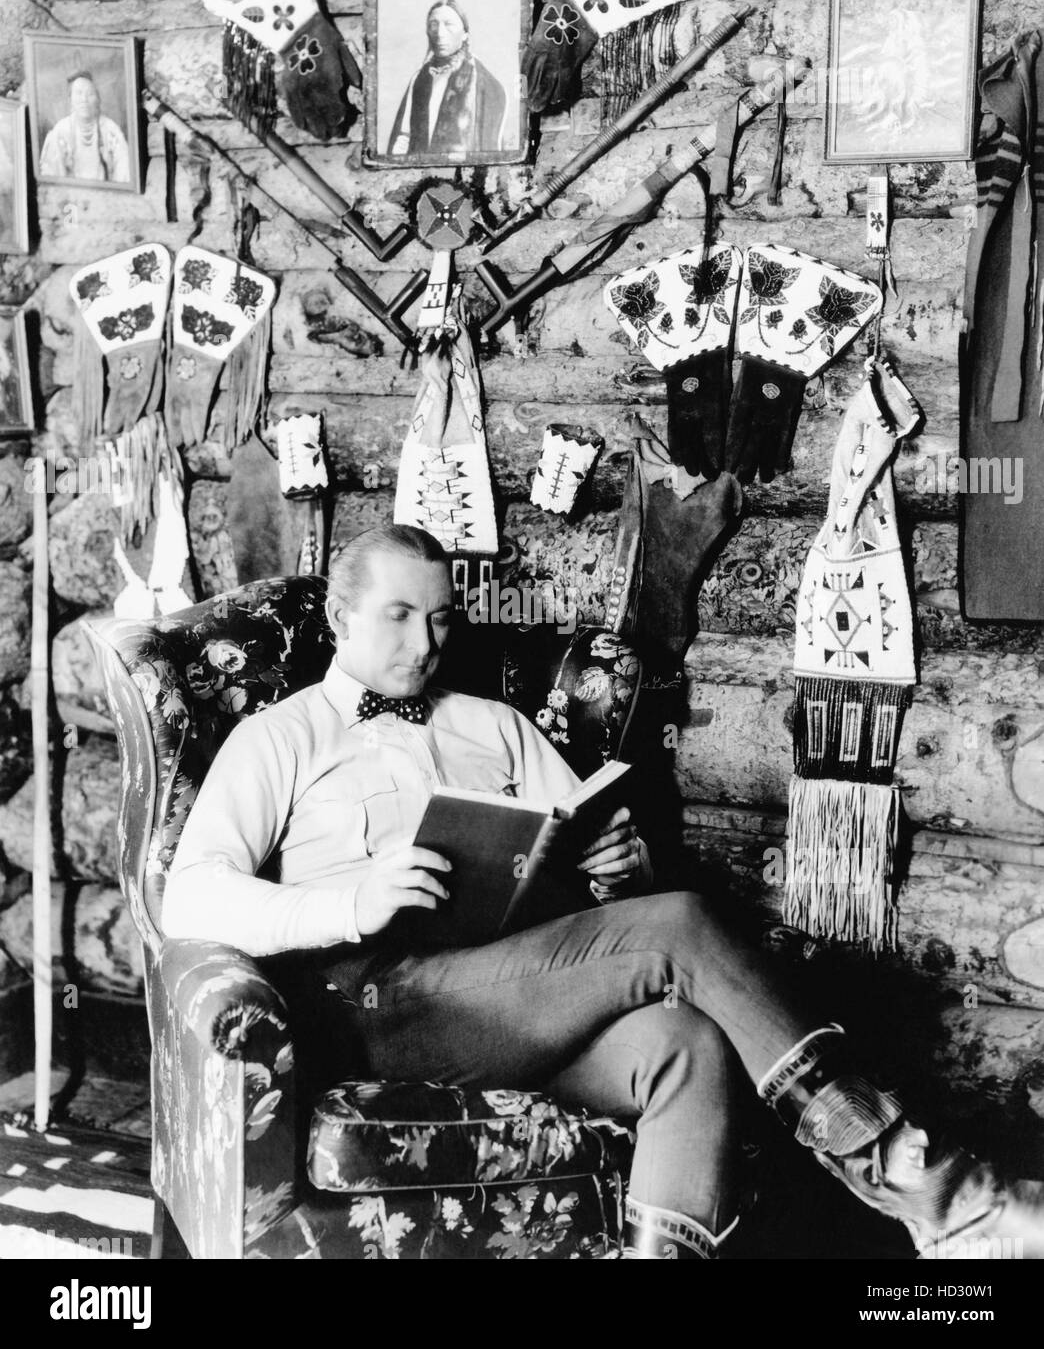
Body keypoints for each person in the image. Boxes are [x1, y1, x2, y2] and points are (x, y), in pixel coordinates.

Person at [164, 524, 1044, 1260]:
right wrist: (352, 899)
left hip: (521, 993)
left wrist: (614, 872)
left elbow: (580, 857)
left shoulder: (495, 724)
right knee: (683, 925)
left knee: (683, 1043)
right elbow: (190, 899)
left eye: (438, 618)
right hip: (377, 1000)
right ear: (338, 614)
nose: (424, 643)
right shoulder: (279, 737)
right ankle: (934, 1189)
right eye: (397, 616)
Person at [387, 0, 506, 159]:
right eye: (433, 25)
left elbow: (492, 145)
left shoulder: (483, 81)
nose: (440, 33)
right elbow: (403, 136)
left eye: (449, 24)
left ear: (465, 34)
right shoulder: (420, 78)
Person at [39, 71, 130, 183]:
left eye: (90, 94)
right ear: (71, 100)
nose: (84, 100)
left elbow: (124, 169)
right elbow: (51, 174)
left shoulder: (110, 130)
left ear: (97, 100)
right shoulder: (61, 131)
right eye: (79, 93)